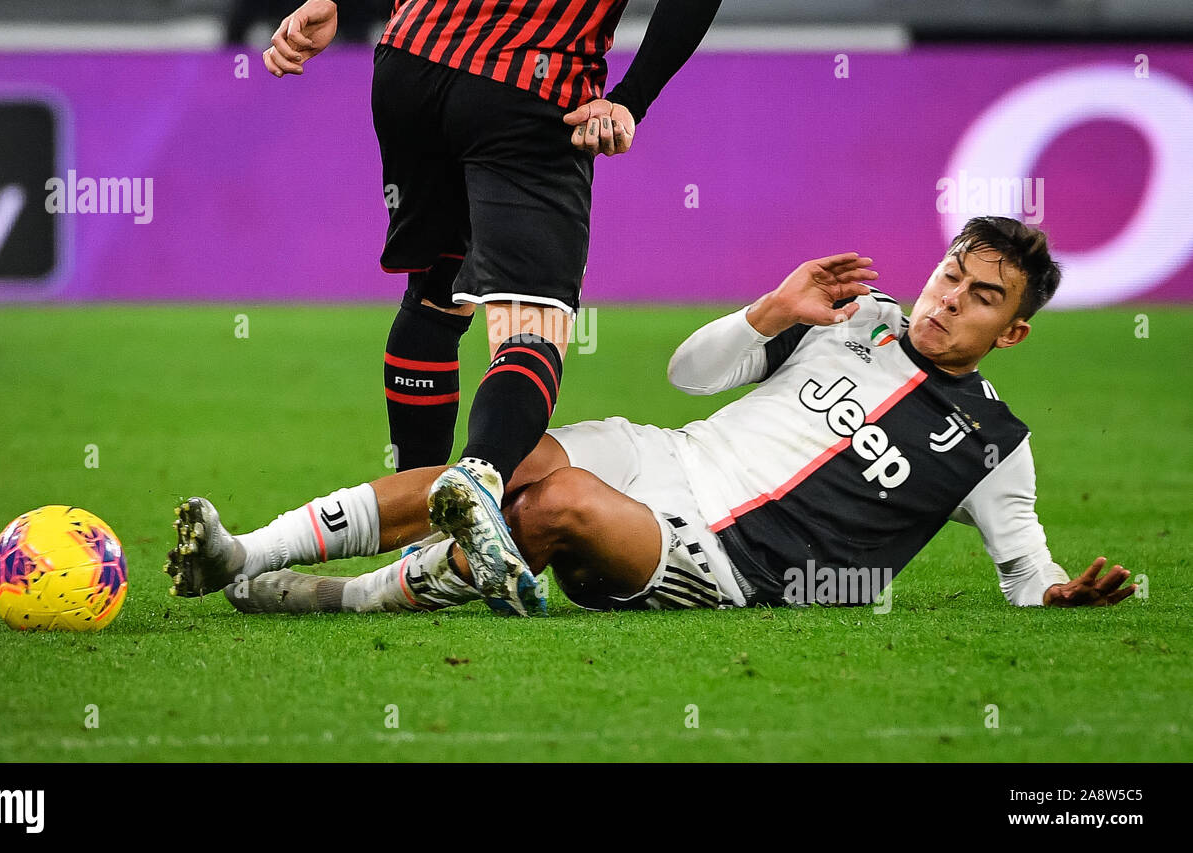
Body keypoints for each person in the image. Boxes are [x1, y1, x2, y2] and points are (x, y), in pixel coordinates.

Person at [166, 217, 1135, 615]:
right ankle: (243, 553)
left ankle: (349, 598)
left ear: (1012, 331)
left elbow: (1025, 572)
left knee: (553, 507)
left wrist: (1058, 596)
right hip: (665, 452)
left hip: (729, 558)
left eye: (980, 297)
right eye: (951, 274)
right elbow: (687, 373)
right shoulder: (854, 318)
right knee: (500, 465)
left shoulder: (993, 444)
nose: (949, 298)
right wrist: (770, 311)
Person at [260, 0, 764, 616]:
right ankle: (478, 478)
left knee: (435, 293)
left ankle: (413, 525)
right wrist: (632, 98)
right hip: (534, 84)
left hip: (414, 57)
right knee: (532, 326)